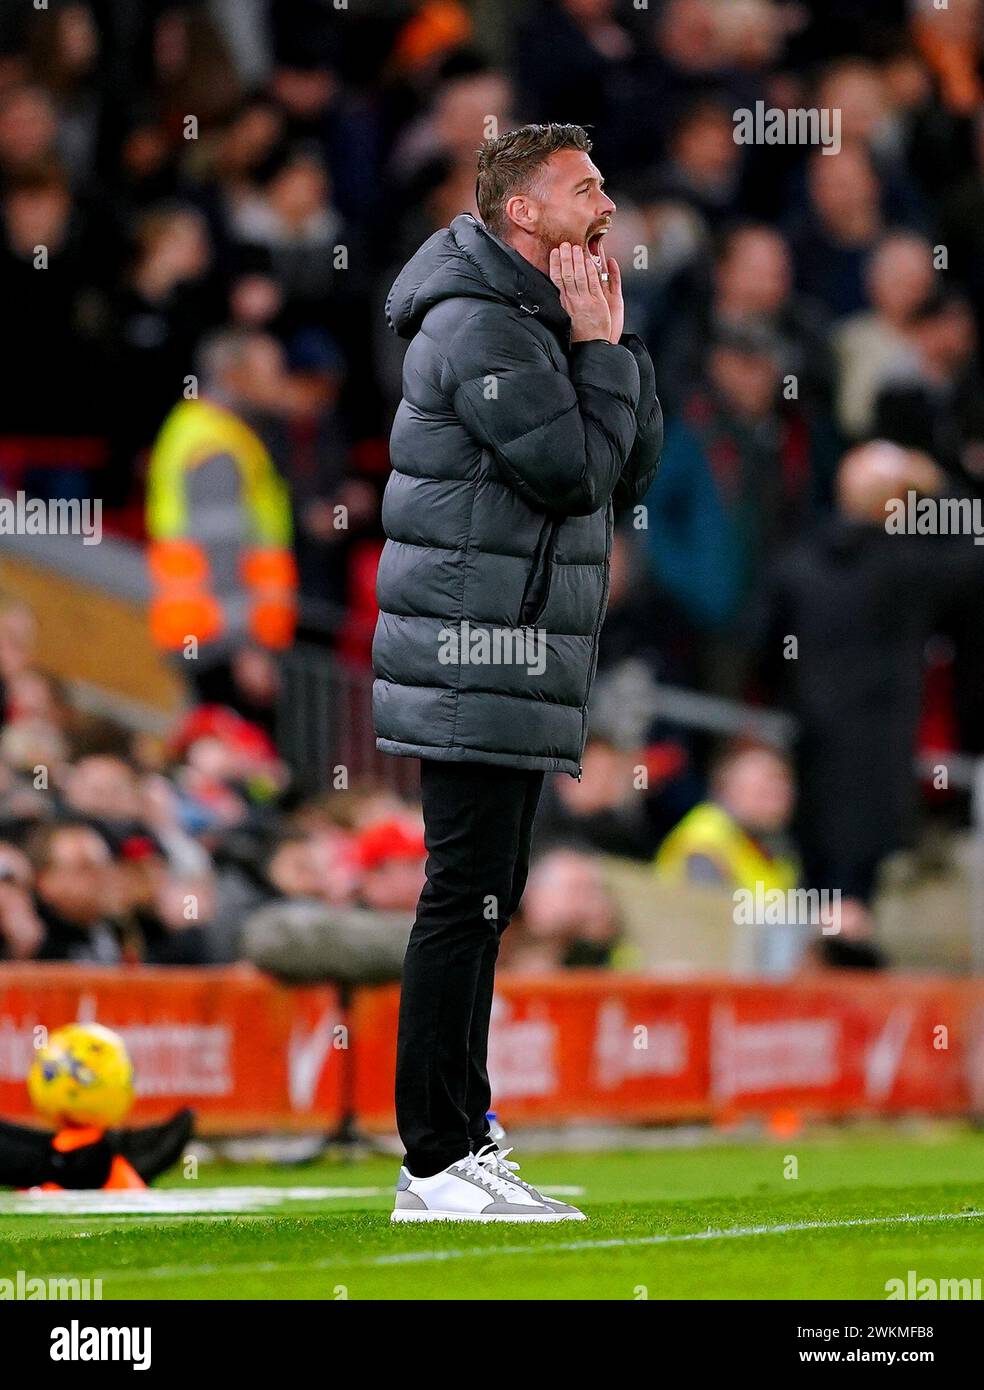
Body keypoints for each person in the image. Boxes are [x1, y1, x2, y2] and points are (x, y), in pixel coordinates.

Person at [373, 122, 662, 1222]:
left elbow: (634, 461)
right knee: (463, 898)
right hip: (472, 651)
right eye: (584, 186)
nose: (607, 202)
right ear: (523, 214)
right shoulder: (474, 326)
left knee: (486, 900)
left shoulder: (548, 320)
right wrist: (598, 354)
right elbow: (572, 471)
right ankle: (436, 1158)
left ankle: (462, 1135)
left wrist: (612, 345)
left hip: (521, 652)